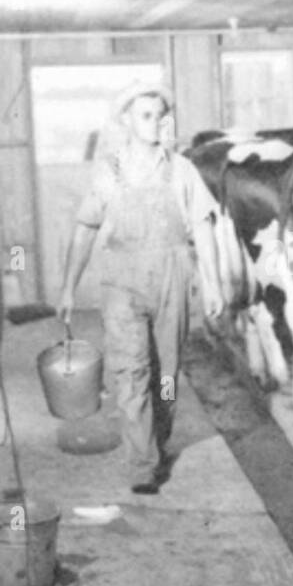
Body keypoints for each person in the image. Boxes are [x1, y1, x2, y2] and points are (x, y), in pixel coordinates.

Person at [58, 80, 223, 494]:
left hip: (173, 276)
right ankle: (142, 462)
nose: (155, 122)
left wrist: (214, 282)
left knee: (165, 376)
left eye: (160, 115)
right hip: (121, 282)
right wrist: (67, 288)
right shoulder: (108, 172)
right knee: (130, 371)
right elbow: (84, 230)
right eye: (146, 115)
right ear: (126, 121)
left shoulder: (181, 169)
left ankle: (156, 440)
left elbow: (203, 227)